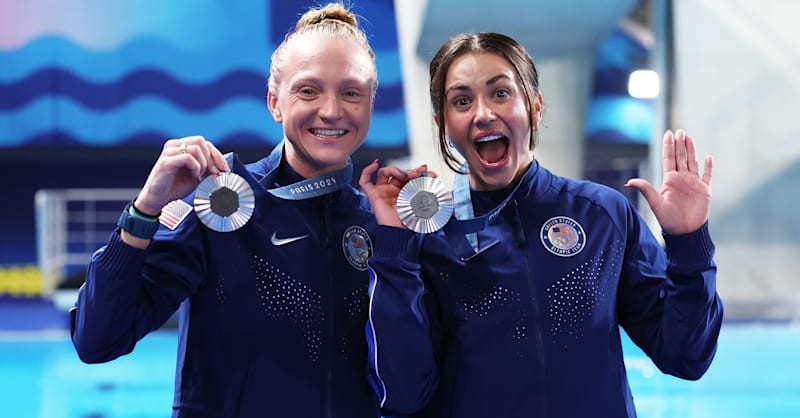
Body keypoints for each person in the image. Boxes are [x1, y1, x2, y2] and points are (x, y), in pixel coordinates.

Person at [359, 32, 723, 417]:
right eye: (462, 101)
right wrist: (396, 251)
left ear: (535, 106)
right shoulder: (429, 237)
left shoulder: (602, 216)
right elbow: (401, 395)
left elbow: (687, 356)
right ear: (443, 123)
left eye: (501, 93)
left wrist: (688, 243)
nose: (483, 113)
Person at [70, 3, 410, 417]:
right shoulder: (223, 203)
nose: (332, 110)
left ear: (371, 103)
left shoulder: (380, 226)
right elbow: (97, 340)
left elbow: (409, 386)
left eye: (351, 92)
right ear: (274, 102)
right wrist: (145, 211)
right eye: (308, 90)